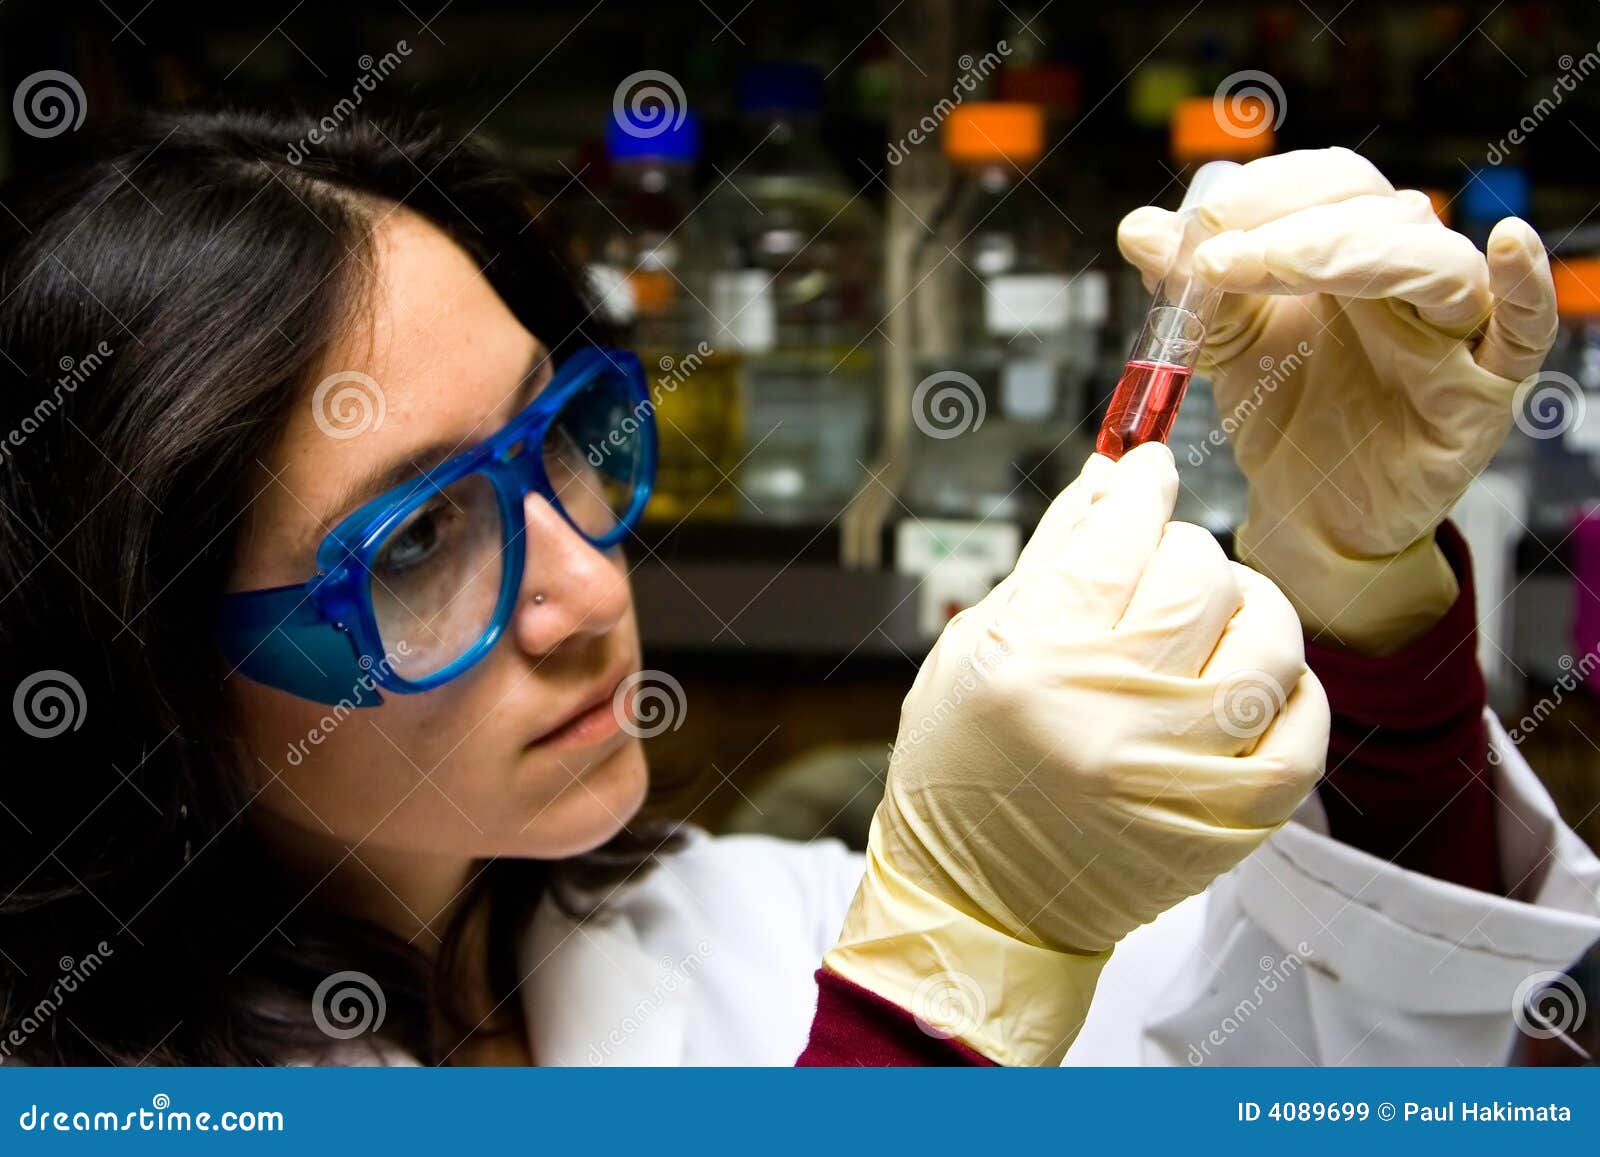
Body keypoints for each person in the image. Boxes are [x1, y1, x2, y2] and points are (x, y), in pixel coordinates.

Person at [0, 106, 1589, 1068]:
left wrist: (1363, 594)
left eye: (555, 437)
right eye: (413, 542)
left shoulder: (750, 938)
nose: (578, 590)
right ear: (153, 678)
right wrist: (942, 976)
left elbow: (1328, 1076)